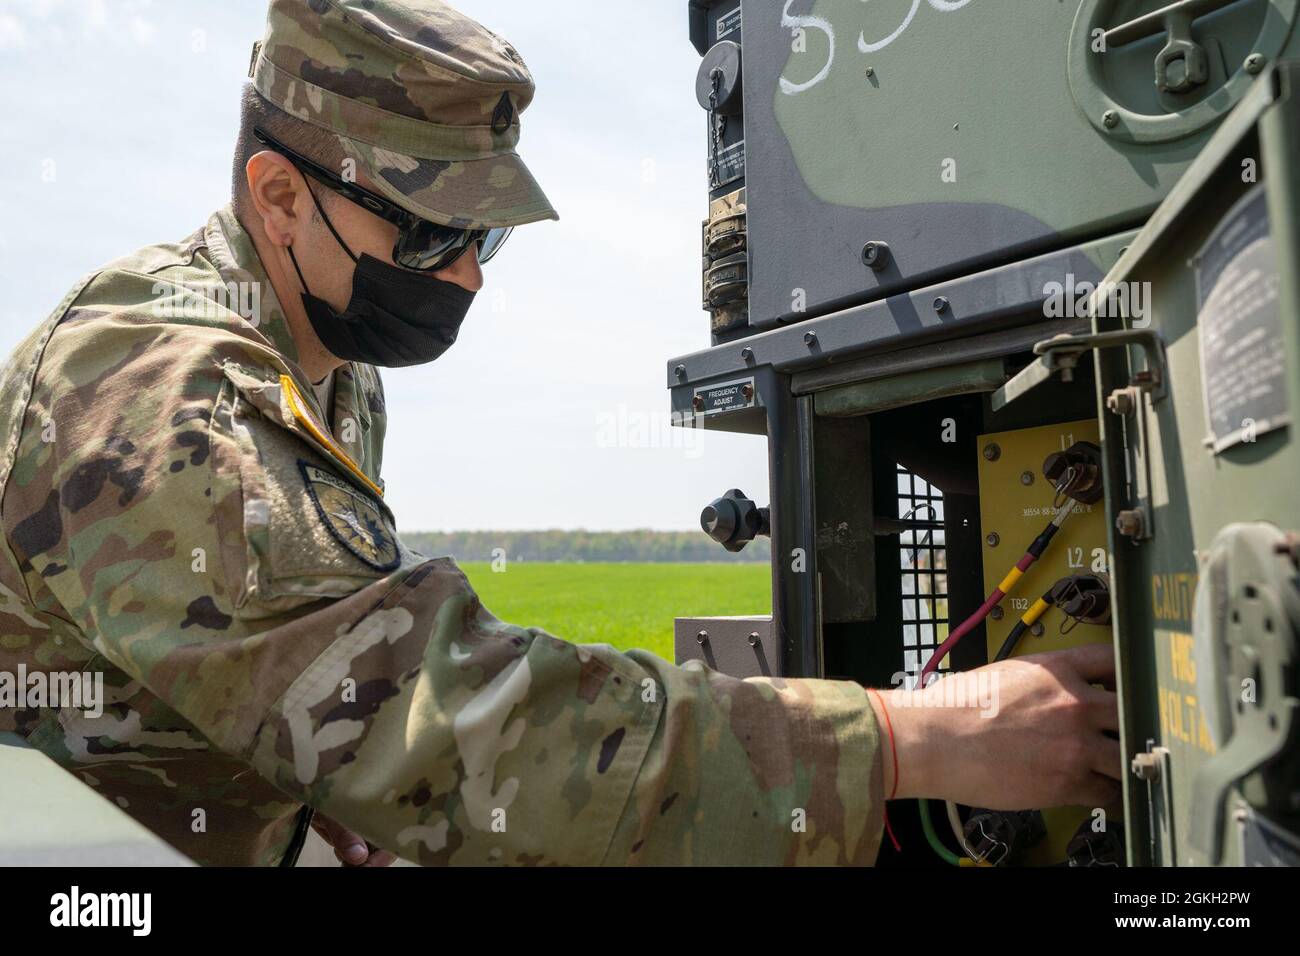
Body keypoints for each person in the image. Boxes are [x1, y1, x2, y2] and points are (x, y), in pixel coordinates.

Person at [0, 0, 1121, 866]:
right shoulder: (158, 385)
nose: (470, 274)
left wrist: (326, 809)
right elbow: (441, 716)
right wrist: (910, 738)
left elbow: (301, 674)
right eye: (435, 234)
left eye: (486, 236)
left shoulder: (328, 366)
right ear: (279, 196)